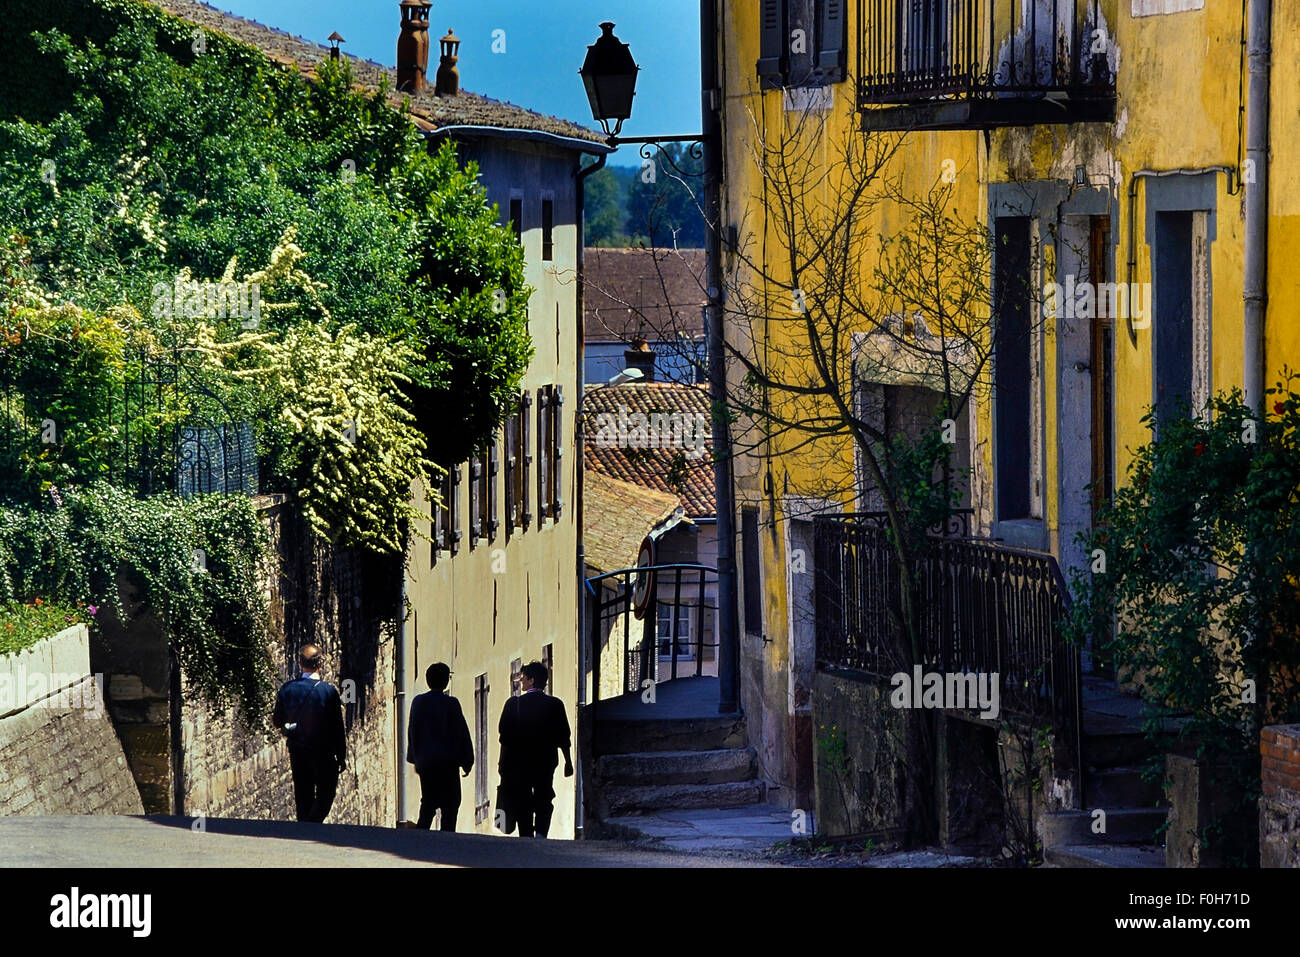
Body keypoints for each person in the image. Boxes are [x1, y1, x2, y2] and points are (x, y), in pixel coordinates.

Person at [272, 644, 347, 823]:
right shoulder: (328, 691)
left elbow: (277, 721)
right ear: (320, 663)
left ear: (300, 664)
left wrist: (289, 727)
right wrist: (341, 755)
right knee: (326, 792)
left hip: (298, 750)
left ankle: (304, 828)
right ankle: (312, 823)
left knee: (303, 793)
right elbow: (337, 727)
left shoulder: (287, 689)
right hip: (324, 752)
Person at [498, 660, 572, 838]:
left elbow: (504, 736)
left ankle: (525, 834)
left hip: (518, 762)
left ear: (531, 680)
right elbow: (564, 737)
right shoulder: (555, 705)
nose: (521, 681)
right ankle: (540, 833)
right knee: (544, 796)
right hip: (545, 762)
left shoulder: (513, 704)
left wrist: (503, 765)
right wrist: (568, 762)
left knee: (522, 797)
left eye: (523, 678)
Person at [406, 662, 474, 831]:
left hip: (426, 763)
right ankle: (447, 841)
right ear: (445, 682)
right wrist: (467, 761)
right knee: (451, 805)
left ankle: (420, 839)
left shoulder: (418, 702)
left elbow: (412, 730)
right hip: (447, 763)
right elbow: (461, 733)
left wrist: (415, 758)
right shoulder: (451, 703)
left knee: (428, 803)